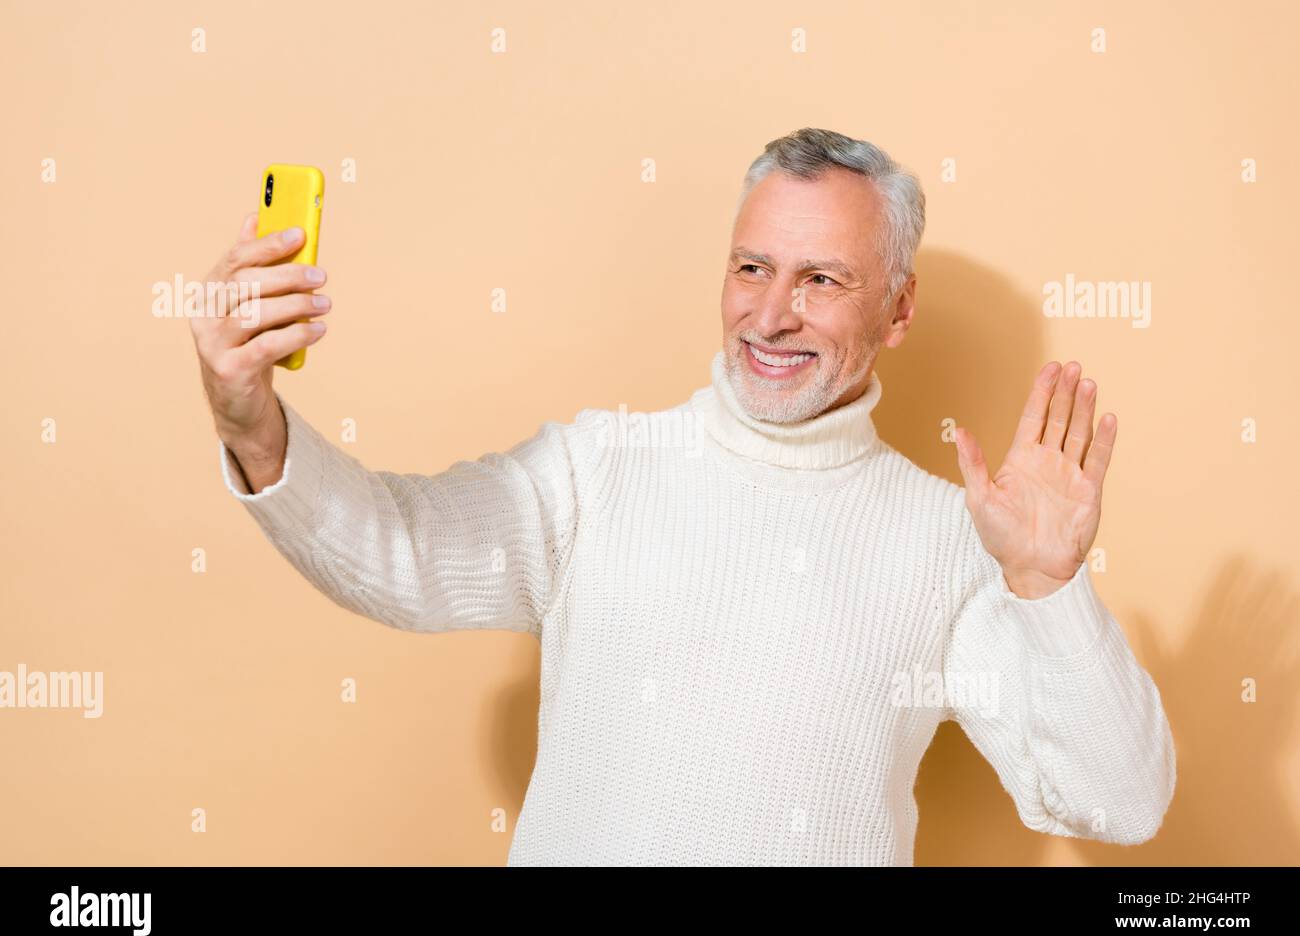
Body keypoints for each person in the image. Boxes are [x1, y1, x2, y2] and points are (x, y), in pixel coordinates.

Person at [190, 128, 1176, 865]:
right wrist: (250, 424)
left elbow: (1120, 801)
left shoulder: (951, 541)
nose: (770, 313)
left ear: (899, 307)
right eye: (751, 267)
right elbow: (397, 550)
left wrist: (1050, 586)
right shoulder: (596, 466)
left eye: (821, 278)